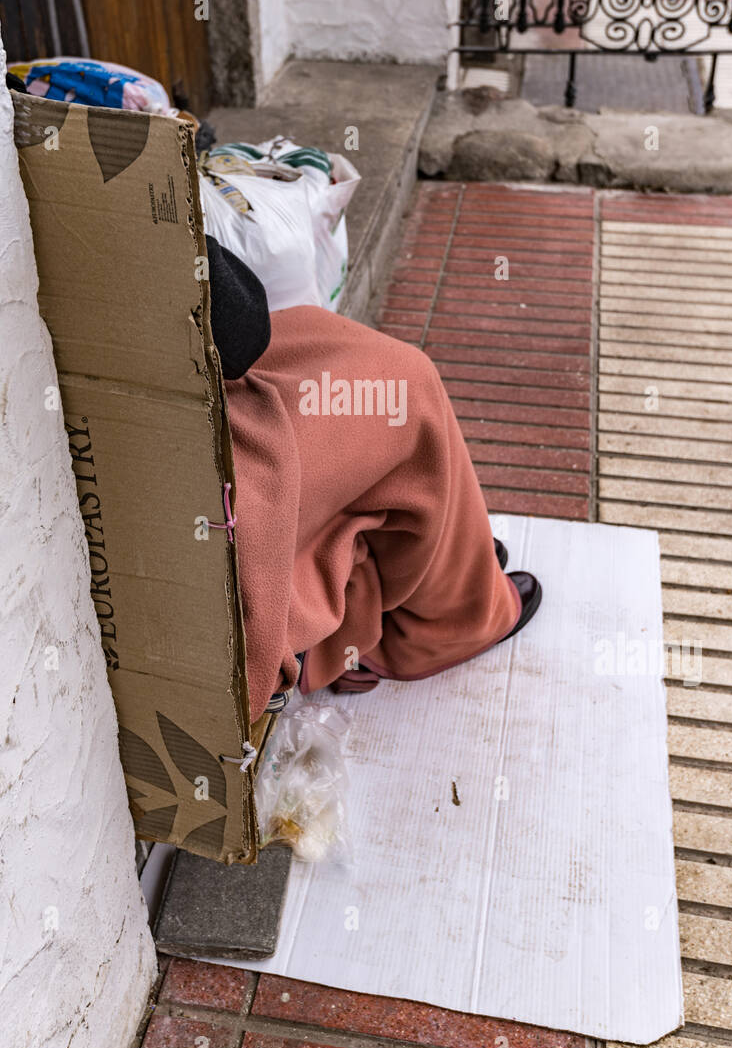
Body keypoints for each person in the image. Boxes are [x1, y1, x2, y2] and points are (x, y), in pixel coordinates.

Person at [204, 235, 542, 723]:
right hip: (203, 469)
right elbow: (241, 329)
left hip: (147, 440)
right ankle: (444, 625)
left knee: (314, 331)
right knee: (405, 388)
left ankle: (429, 572)